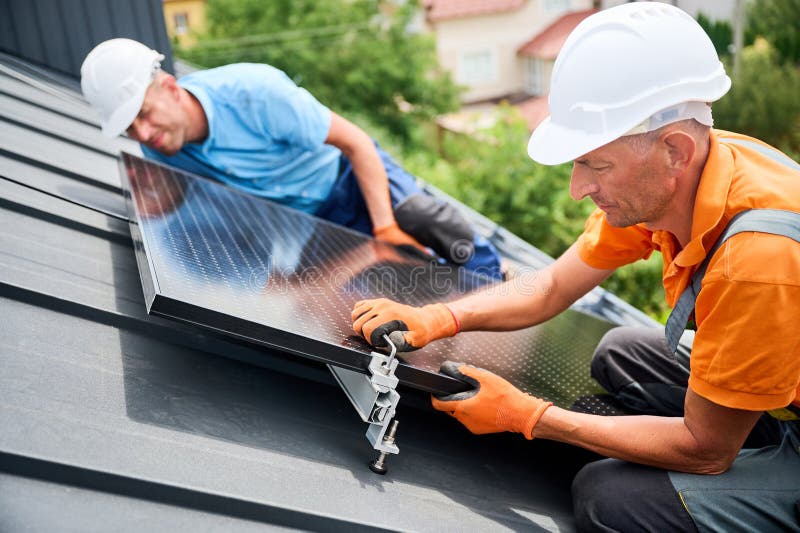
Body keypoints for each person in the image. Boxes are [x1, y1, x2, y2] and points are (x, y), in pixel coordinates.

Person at [351, 3, 800, 531]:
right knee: (620, 350)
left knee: (608, 497)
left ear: (673, 150)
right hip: (780, 393)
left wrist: (529, 418)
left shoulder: (758, 256)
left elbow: (706, 451)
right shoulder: (679, 179)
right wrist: (440, 319)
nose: (578, 187)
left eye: (597, 164)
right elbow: (550, 286)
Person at [79, 38, 503, 279]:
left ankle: (494, 284)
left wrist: (385, 228)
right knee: (355, 296)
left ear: (170, 87)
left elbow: (357, 143)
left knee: (427, 221)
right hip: (310, 220)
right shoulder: (158, 148)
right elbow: (185, 213)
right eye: (130, 128)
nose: (144, 135)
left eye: (145, 116)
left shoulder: (255, 93)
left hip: (347, 176)